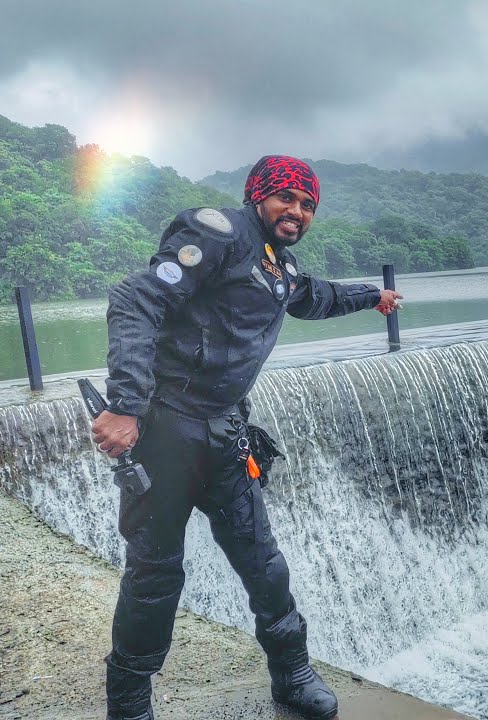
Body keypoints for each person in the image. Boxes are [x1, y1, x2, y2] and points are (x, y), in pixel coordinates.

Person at [90, 155, 402, 720]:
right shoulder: (218, 233)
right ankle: (130, 704)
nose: (297, 211)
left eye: (307, 204)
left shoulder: (277, 267)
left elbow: (316, 297)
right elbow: (137, 301)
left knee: (264, 563)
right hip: (165, 433)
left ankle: (292, 673)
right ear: (258, 196)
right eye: (286, 197)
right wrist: (126, 407)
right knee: (155, 575)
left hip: (226, 435)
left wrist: (371, 296)